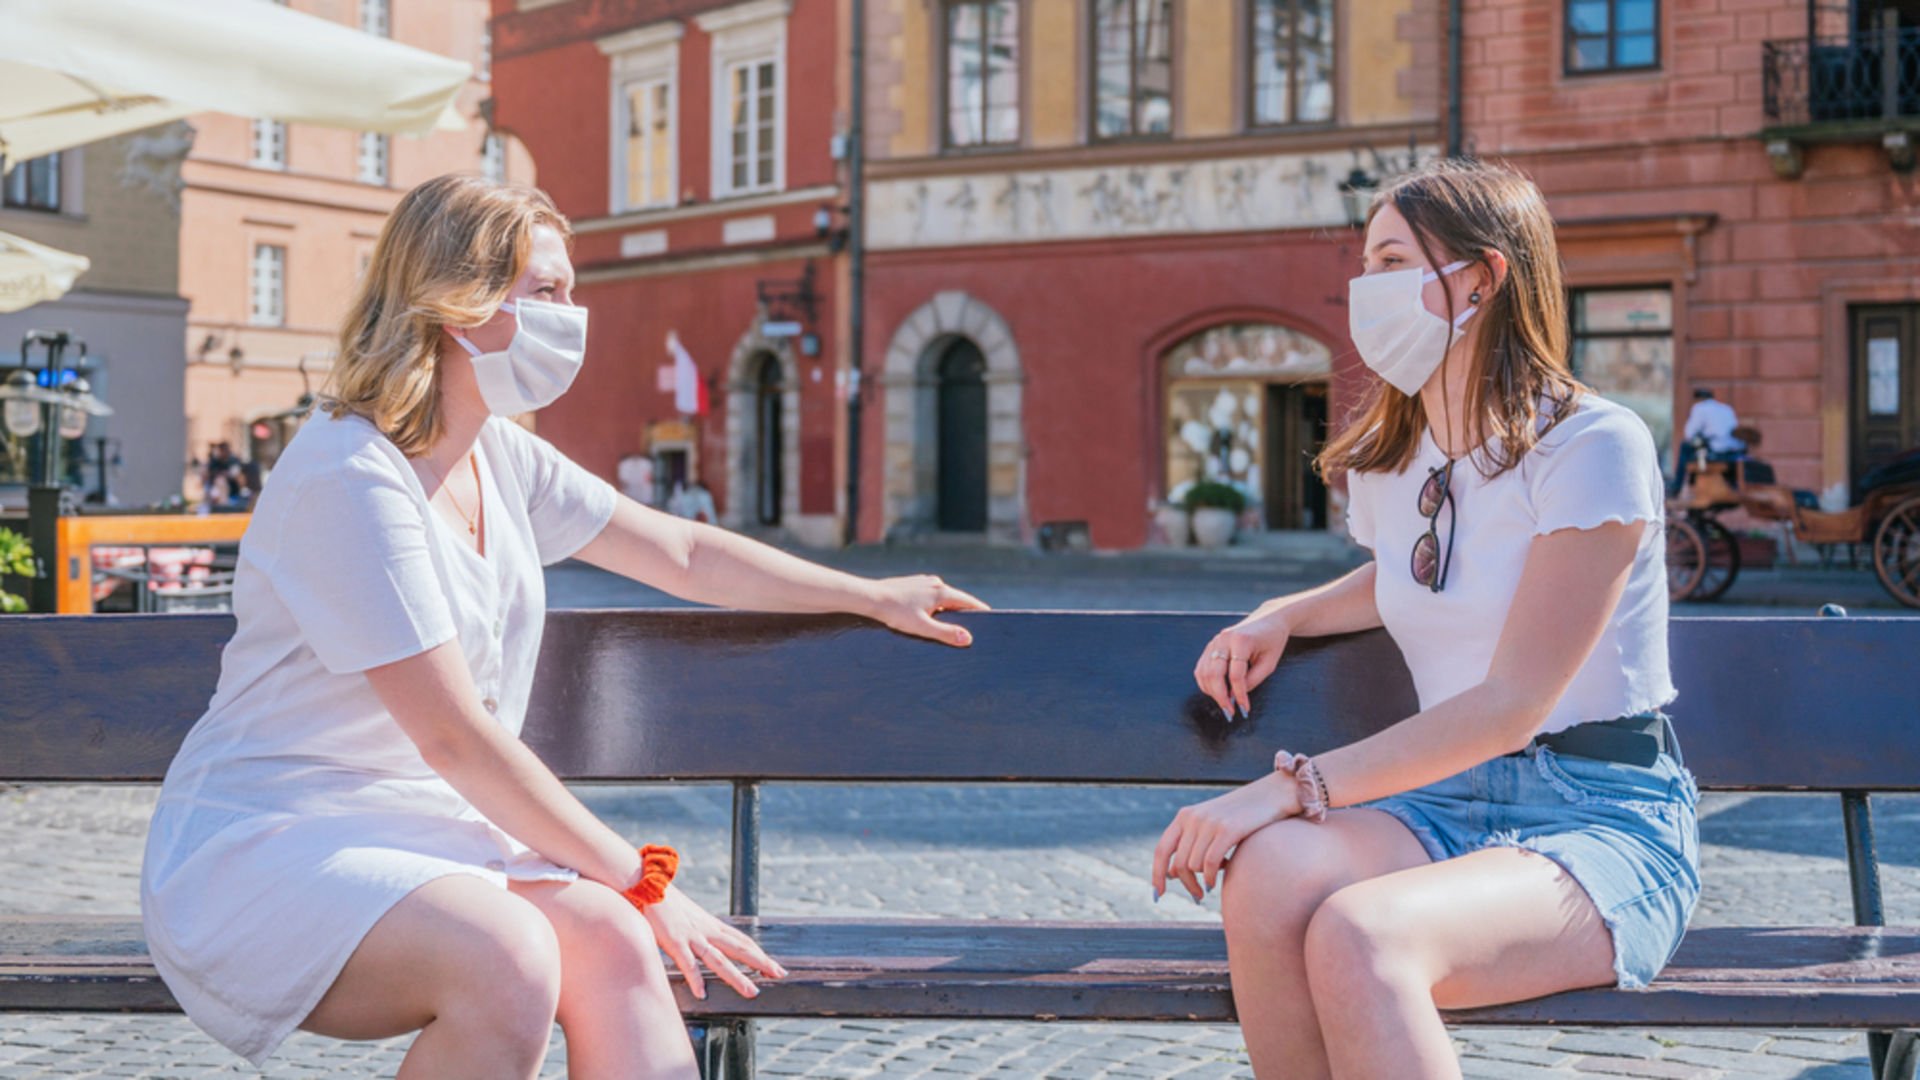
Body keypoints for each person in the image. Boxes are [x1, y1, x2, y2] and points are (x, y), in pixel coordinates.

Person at [139, 175, 988, 1079]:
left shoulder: (496, 453)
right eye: (546, 292)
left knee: (613, 944)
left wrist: (867, 594)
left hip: (423, 836)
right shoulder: (349, 474)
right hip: (274, 846)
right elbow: (455, 736)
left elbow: (683, 554)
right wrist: (645, 877)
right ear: (460, 308)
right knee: (510, 957)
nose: (571, 315)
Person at [1151, 160, 1698, 1080]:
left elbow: (1514, 703)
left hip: (1600, 810)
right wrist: (1285, 613)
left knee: (1362, 936)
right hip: (1444, 801)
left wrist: (1287, 787)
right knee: (1270, 878)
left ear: (1480, 279)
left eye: (1394, 259)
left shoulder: (1593, 444)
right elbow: (1412, 576)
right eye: (1365, 262)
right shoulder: (1391, 457)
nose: (1368, 288)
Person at [1671, 388, 1744, 497]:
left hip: (1715, 452)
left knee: (1685, 447)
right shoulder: (1726, 409)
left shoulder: (1699, 408)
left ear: (1697, 399)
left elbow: (1689, 433)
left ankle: (1676, 488)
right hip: (1732, 452)